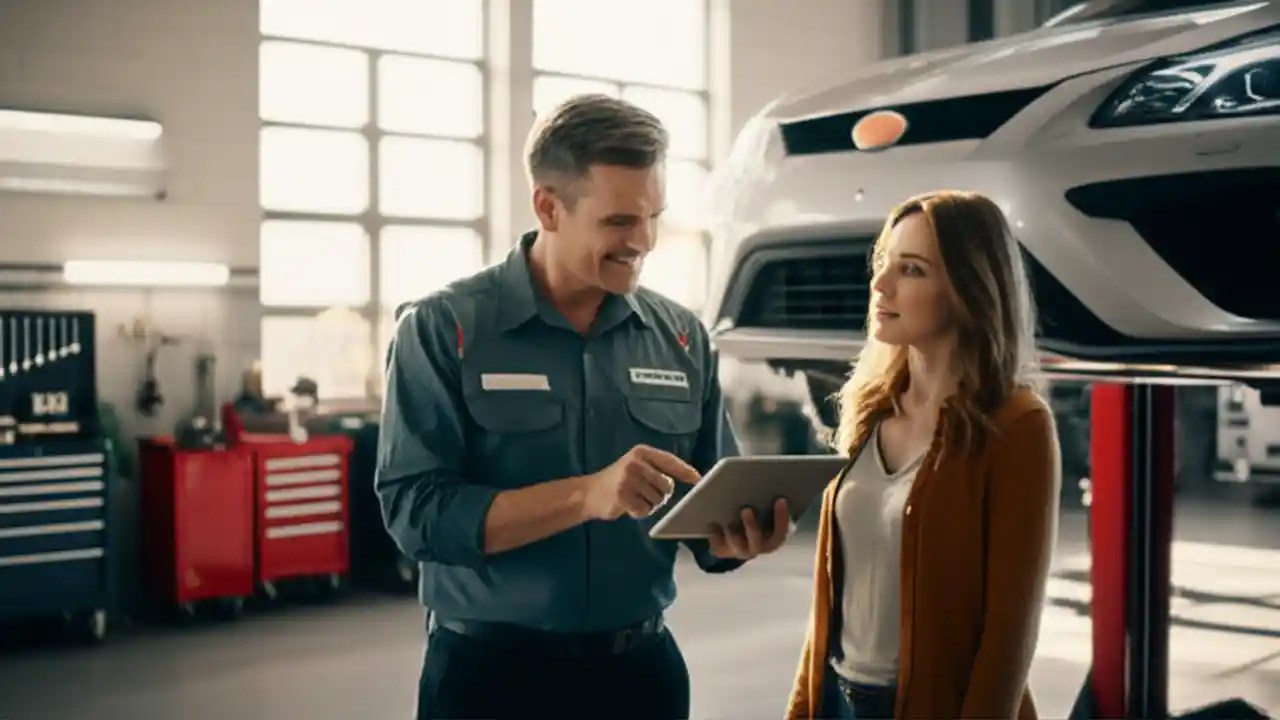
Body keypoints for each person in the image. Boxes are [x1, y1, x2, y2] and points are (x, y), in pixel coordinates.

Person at [376, 94, 793, 720]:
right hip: (492, 683)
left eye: (654, 216)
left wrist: (740, 537)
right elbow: (416, 515)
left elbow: (710, 515)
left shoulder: (682, 338)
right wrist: (587, 496)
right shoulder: (446, 329)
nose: (644, 241)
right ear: (548, 206)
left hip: (641, 680)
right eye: (619, 221)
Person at [786, 191, 1061, 720]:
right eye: (883, 264)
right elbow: (831, 605)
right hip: (837, 699)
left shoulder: (1018, 425)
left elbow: (1009, 636)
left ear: (968, 288)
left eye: (911, 270)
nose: (880, 285)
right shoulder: (868, 410)